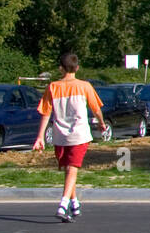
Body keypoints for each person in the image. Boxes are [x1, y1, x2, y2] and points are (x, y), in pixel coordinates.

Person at [33, 51, 105, 222]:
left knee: (69, 169)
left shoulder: (53, 87)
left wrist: (40, 136)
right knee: (71, 169)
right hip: (79, 134)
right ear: (77, 67)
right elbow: (96, 108)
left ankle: (74, 203)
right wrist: (101, 122)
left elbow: (45, 113)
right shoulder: (85, 86)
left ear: (60, 68)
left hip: (60, 135)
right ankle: (64, 204)